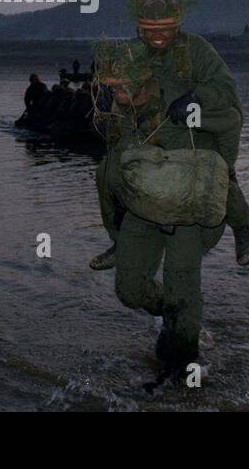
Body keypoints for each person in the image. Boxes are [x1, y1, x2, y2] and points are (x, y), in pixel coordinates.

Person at [91, 0, 249, 272]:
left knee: (217, 174)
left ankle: (243, 226)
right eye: (150, 29)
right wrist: (108, 93)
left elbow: (226, 89)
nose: (158, 36)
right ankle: (119, 241)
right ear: (139, 26)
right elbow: (111, 78)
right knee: (107, 172)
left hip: (189, 124)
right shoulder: (131, 51)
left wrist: (196, 96)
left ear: (178, 25)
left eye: (166, 29)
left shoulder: (196, 49)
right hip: (145, 128)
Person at [92, 37, 227, 372]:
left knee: (183, 297)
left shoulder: (178, 101)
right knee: (130, 291)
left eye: (123, 84)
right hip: (143, 211)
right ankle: (171, 310)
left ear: (142, 77)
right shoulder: (117, 113)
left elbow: (222, 143)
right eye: (112, 86)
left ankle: (183, 360)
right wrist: (117, 231)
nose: (116, 91)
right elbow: (112, 177)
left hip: (185, 215)